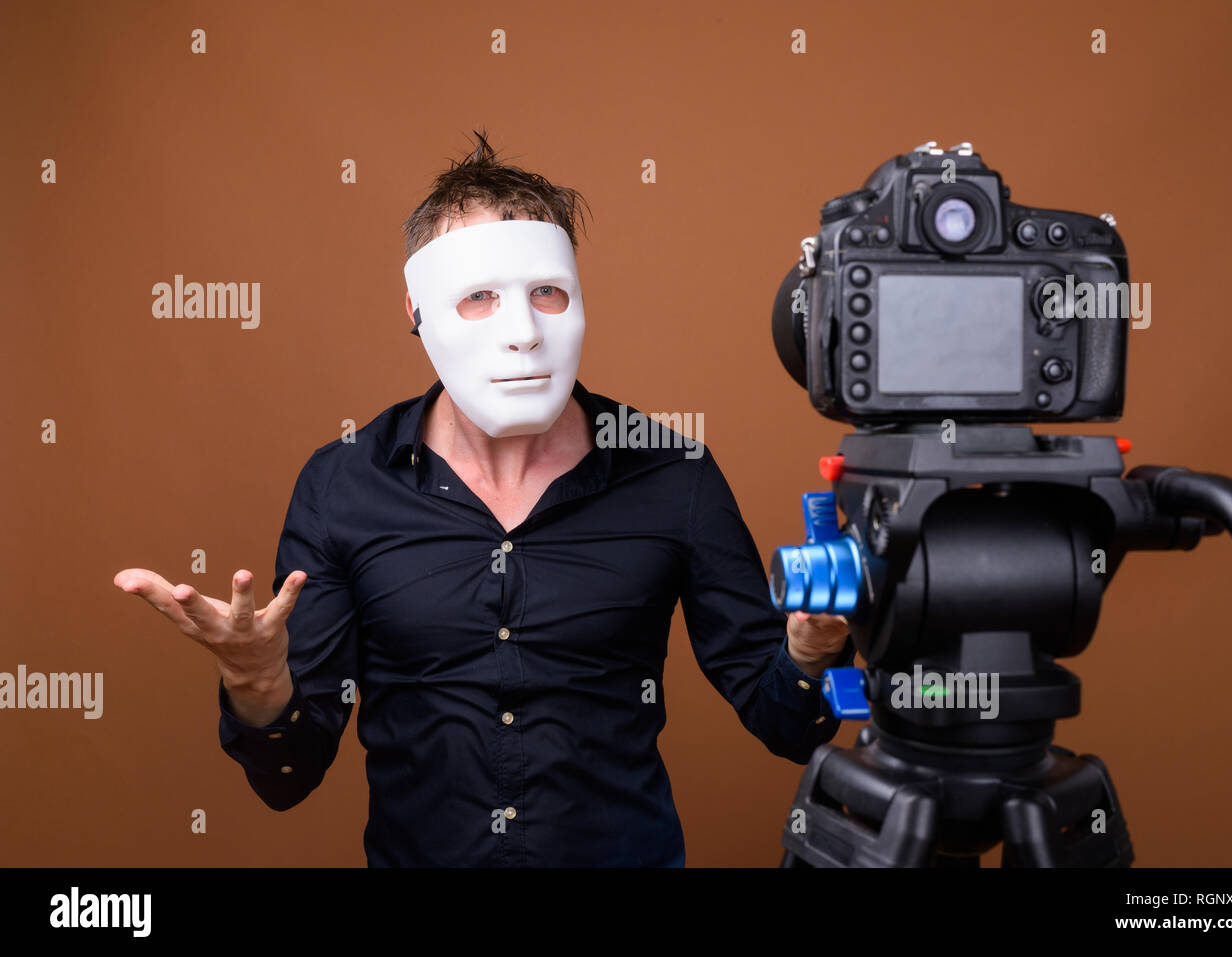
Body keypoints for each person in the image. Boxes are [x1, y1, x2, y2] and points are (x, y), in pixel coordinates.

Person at [114, 130, 853, 866]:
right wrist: (255, 678)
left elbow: (789, 723)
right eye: (478, 299)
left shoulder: (671, 473)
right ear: (416, 307)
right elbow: (289, 774)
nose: (523, 332)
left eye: (547, 293)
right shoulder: (344, 484)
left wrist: (810, 646)